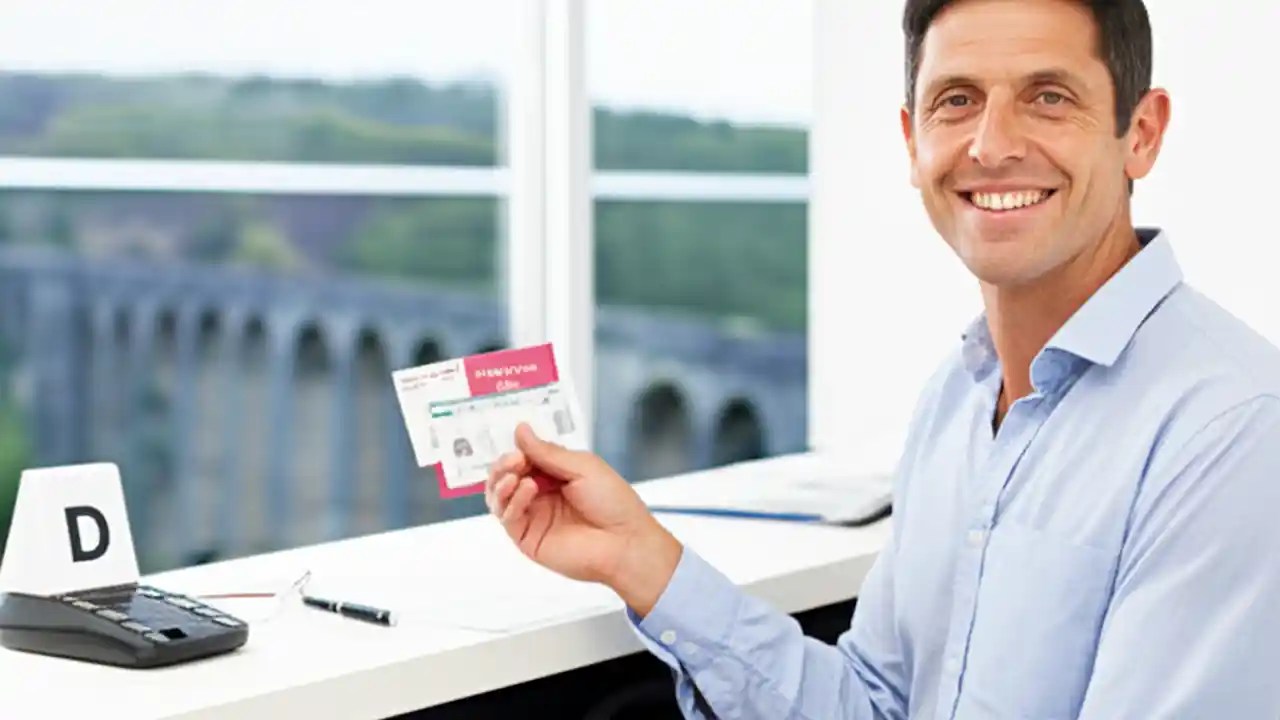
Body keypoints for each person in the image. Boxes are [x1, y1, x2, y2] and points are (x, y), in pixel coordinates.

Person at [485, 0, 1280, 716]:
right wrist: (639, 558)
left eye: (1049, 97)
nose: (992, 144)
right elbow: (873, 707)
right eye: (957, 100)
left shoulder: (1231, 433)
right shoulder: (956, 400)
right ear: (912, 141)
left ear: (1141, 133)